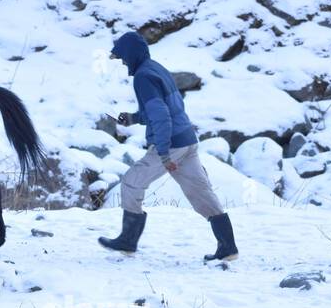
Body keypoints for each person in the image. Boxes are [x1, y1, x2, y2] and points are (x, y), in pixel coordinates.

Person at [98, 30, 238, 262]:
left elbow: (161, 116)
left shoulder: (143, 77)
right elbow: (167, 107)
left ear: (131, 54)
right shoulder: (156, 68)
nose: (122, 62)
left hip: (171, 144)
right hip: (187, 141)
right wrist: (134, 118)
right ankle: (228, 247)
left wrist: (162, 152)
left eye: (122, 56)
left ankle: (128, 241)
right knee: (201, 192)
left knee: (132, 182)